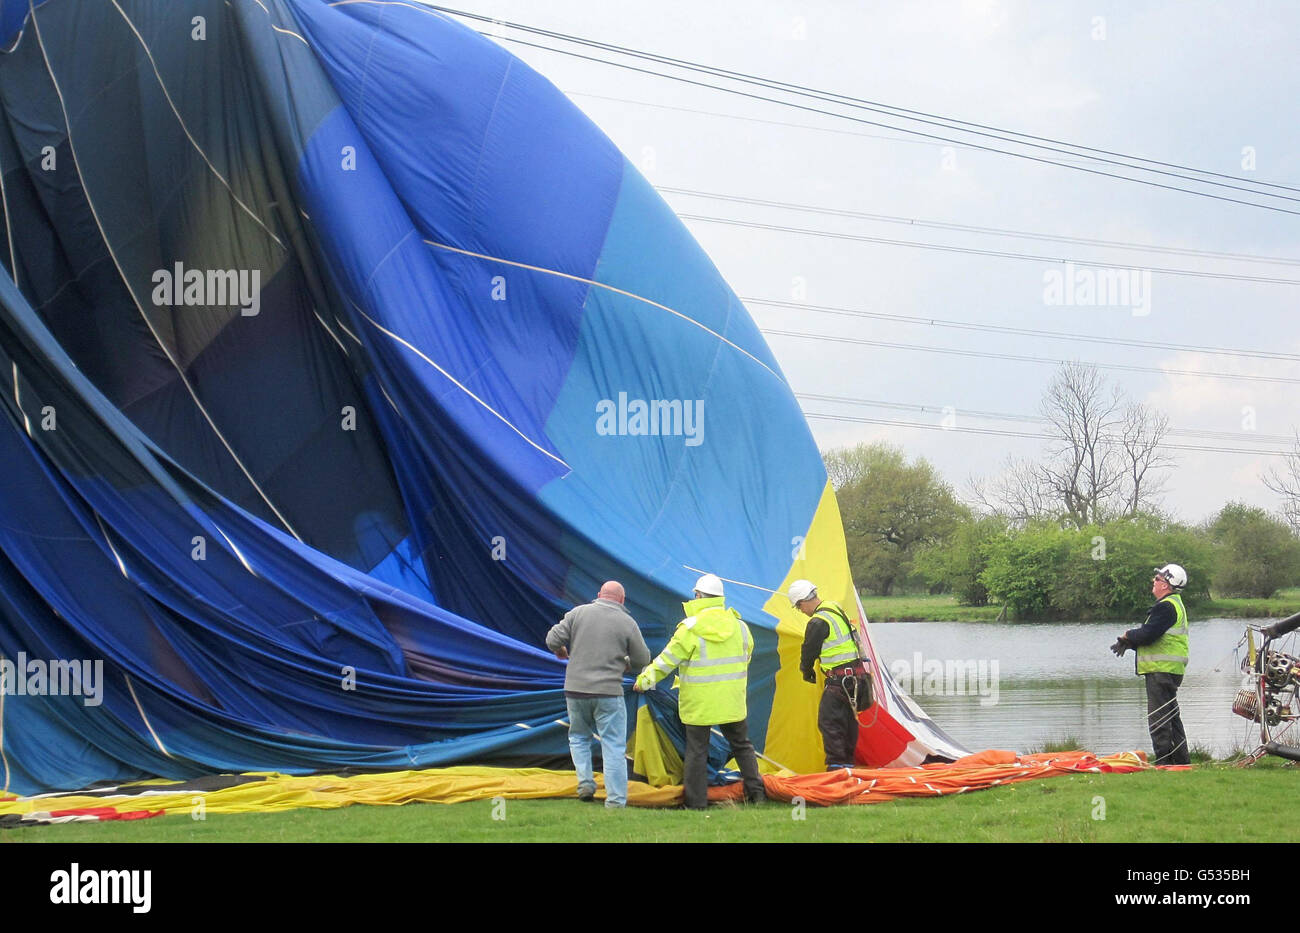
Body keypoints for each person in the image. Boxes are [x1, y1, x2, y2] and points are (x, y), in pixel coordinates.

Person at [632, 573, 766, 810]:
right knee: (742, 745)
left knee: (696, 751)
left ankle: (696, 803)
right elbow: (745, 658)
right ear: (721, 598)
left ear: (697, 596)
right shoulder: (741, 627)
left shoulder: (690, 628)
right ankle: (757, 794)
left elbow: (666, 661)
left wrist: (644, 680)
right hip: (731, 700)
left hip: (699, 703)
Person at [546, 580, 651, 808]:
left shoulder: (577, 613)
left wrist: (562, 651)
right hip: (608, 693)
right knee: (613, 745)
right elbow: (643, 659)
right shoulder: (627, 622)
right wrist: (624, 663)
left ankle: (585, 784)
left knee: (578, 737)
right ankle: (615, 802)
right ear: (622, 600)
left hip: (575, 690)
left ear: (598, 595)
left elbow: (552, 640)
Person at [1110, 563, 1191, 766]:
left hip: (1161, 671)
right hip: (1169, 670)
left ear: (1166, 585)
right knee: (1171, 718)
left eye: (1157, 579)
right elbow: (1156, 638)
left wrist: (1128, 635)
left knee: (1159, 719)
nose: (1153, 582)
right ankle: (1181, 763)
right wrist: (1130, 644)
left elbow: (1148, 634)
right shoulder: (1174, 604)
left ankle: (1164, 764)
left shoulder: (1166, 606)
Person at [788, 579, 872, 770]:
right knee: (849, 723)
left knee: (829, 723)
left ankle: (836, 768)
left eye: (799, 607)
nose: (801, 611)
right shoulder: (834, 608)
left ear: (803, 601)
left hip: (839, 681)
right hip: (856, 677)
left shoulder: (818, 622)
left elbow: (809, 650)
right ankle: (848, 765)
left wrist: (806, 671)